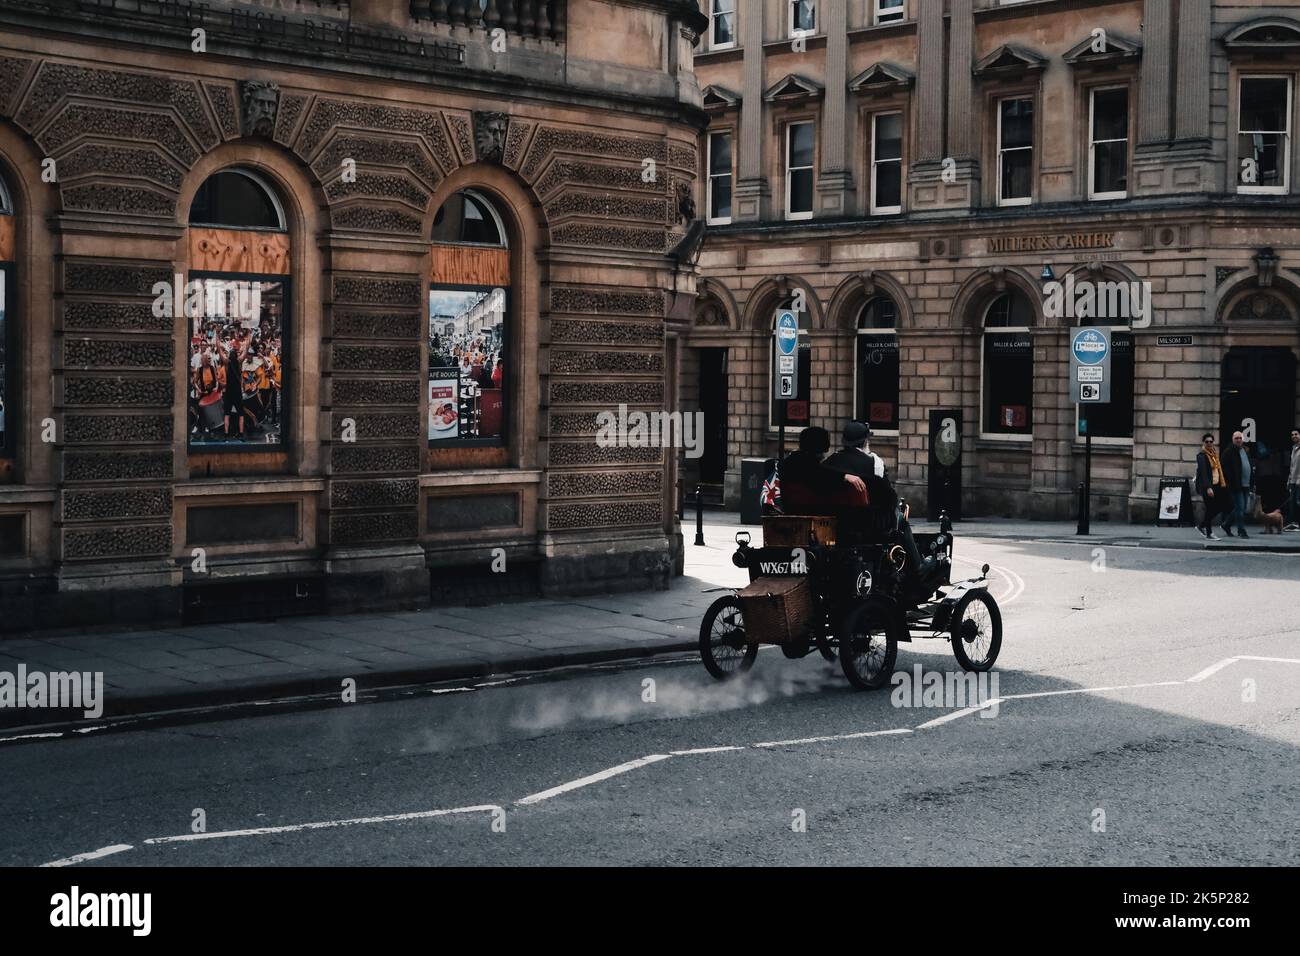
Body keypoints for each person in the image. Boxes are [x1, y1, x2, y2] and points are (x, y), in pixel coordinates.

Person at [778, 426, 866, 514]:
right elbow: (818, 476)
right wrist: (844, 476)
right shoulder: (803, 462)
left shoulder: (796, 459)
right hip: (805, 509)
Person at [1221, 430, 1254, 538]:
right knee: (1240, 508)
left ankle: (1226, 524)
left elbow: (1249, 465)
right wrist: (1230, 481)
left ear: (1243, 439)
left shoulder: (1246, 450)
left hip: (1246, 484)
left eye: (1240, 438)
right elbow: (1224, 469)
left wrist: (1252, 482)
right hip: (1236, 485)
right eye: (1236, 438)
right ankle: (1241, 530)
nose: (1239, 440)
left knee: (1241, 508)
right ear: (1233, 440)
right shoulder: (1228, 451)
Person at [1194, 433, 1228, 540]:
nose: (1209, 443)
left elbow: (1217, 470)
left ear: (1213, 443)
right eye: (1207, 441)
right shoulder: (1201, 456)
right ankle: (1209, 533)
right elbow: (1204, 473)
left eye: (1211, 441)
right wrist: (1208, 487)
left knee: (1221, 506)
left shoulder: (1214, 455)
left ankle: (1201, 526)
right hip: (1207, 487)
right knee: (1210, 509)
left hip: (1216, 485)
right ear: (1203, 443)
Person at [1286, 427, 1300, 532]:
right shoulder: (1294, 448)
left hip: (1299, 481)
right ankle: (1293, 523)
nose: (1294, 436)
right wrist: (1289, 480)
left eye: (1296, 434)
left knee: (1298, 502)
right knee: (1292, 502)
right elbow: (1292, 466)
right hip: (1293, 481)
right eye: (1292, 434)